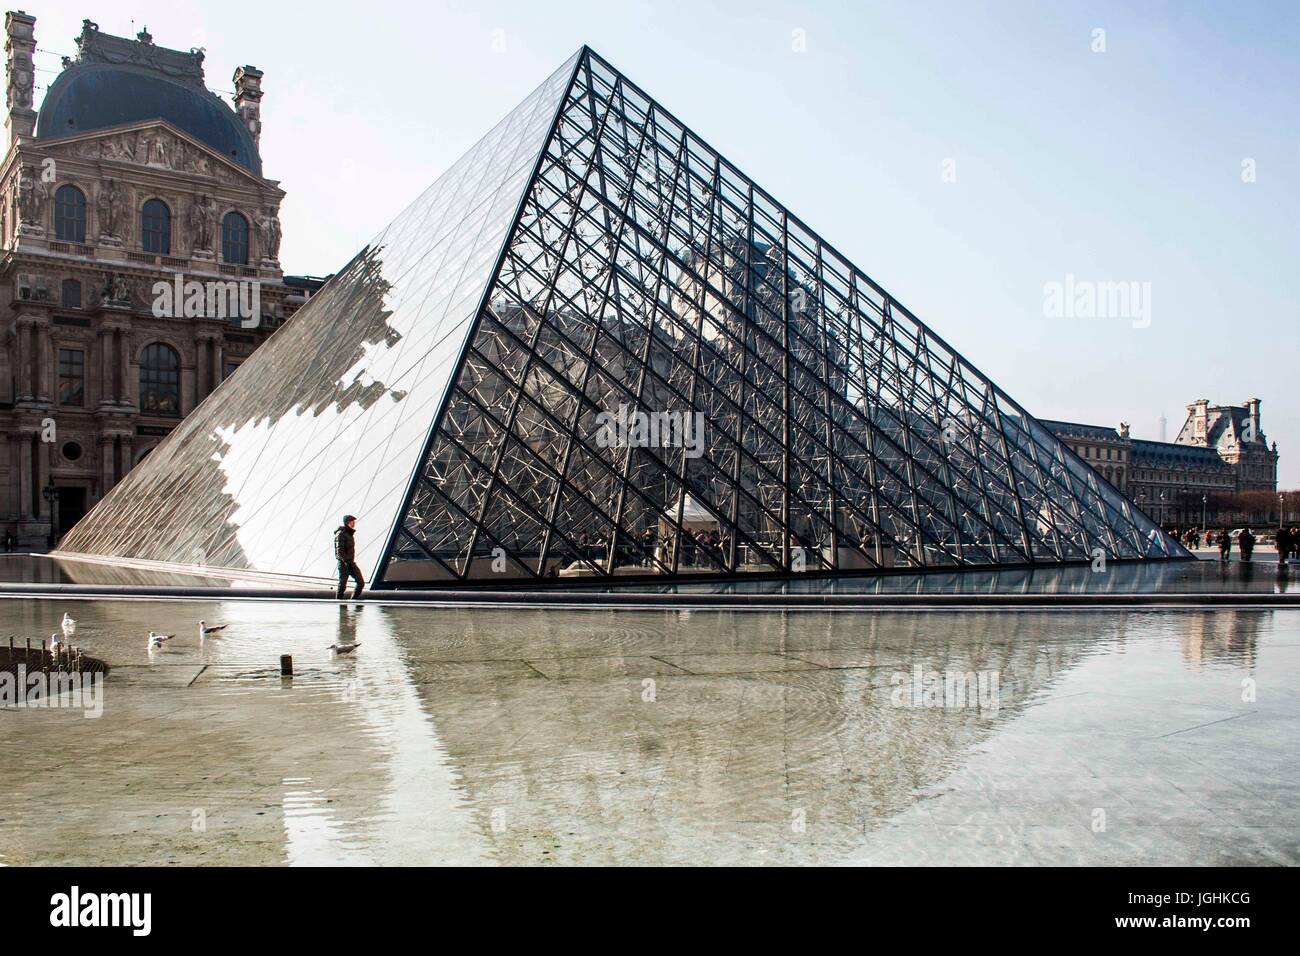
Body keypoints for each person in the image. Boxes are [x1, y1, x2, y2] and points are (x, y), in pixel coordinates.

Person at [334, 515, 364, 599]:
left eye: (353, 521)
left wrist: (350, 562)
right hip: (343, 563)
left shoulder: (349, 533)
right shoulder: (341, 534)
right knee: (342, 584)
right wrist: (346, 561)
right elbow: (339, 552)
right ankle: (339, 602)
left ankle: (353, 600)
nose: (353, 523)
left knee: (360, 582)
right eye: (351, 521)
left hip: (350, 562)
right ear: (347, 522)